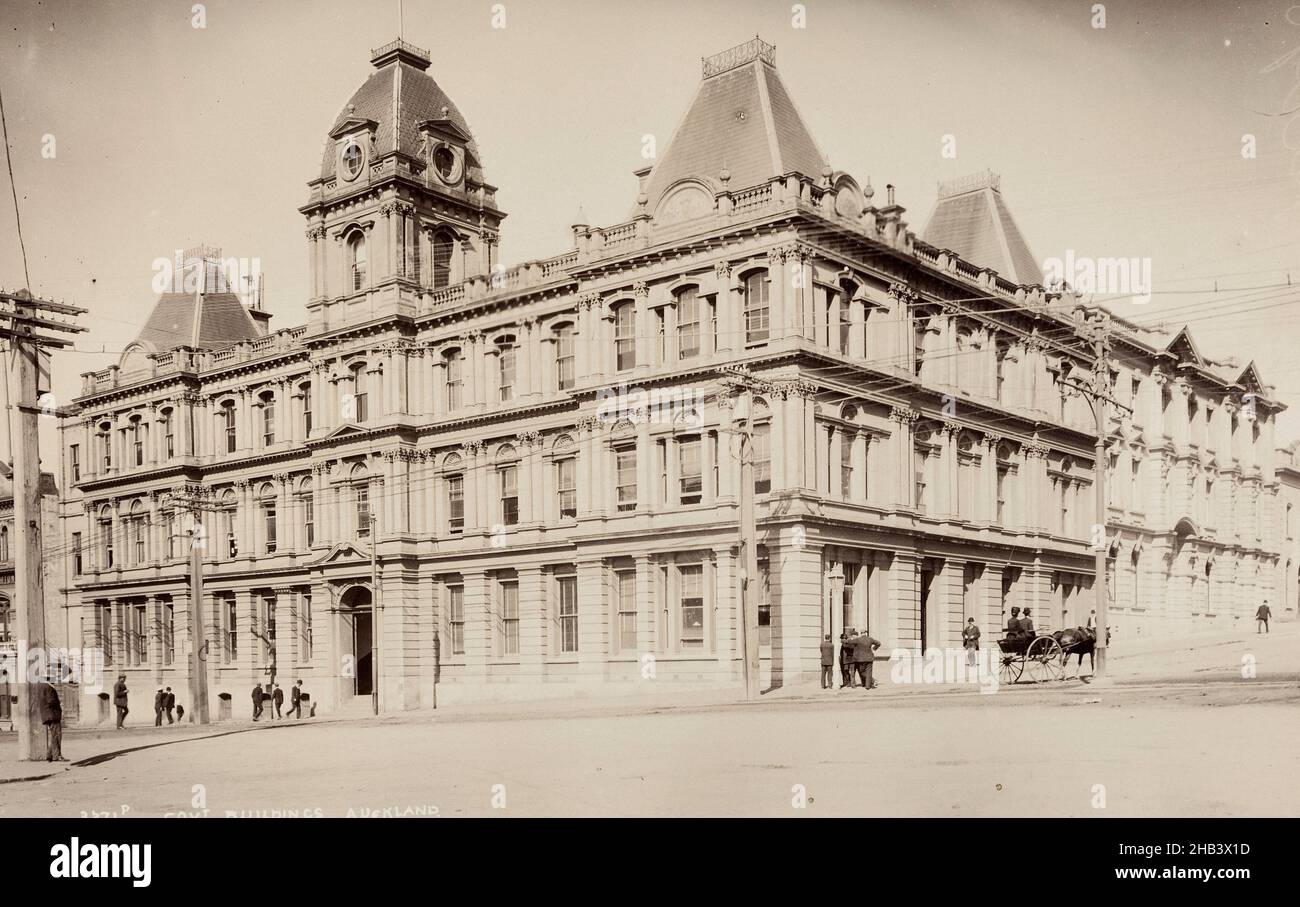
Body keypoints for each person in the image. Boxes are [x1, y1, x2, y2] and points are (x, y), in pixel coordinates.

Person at [38, 676, 67, 762]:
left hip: (47, 714)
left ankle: (50, 755)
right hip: (52, 714)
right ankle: (57, 755)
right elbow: (51, 701)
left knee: (54, 735)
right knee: (57, 735)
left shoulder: (42, 687)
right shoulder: (49, 687)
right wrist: (58, 703)